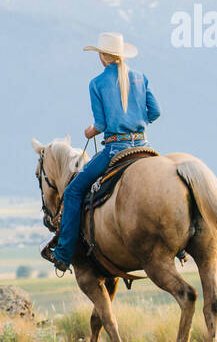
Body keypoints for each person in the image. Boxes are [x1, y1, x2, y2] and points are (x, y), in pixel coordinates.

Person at [43, 32, 161, 273]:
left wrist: (89, 132)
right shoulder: (141, 77)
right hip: (143, 146)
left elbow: (101, 125)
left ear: (102, 57)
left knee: (74, 192)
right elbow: (155, 112)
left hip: (116, 149)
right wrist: (138, 122)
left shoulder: (97, 83)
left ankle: (64, 253)